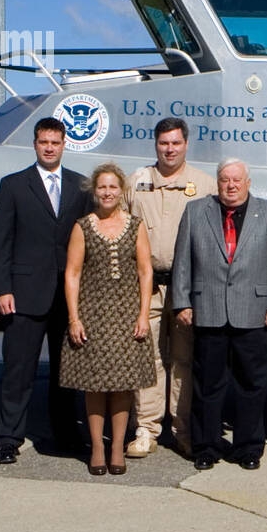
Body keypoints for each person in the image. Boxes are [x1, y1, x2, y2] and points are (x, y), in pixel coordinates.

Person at [170, 159, 267, 471]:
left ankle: (248, 448)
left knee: (252, 385)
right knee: (207, 386)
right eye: (225, 180)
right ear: (218, 182)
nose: (231, 185)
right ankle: (206, 447)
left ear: (248, 182)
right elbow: (182, 259)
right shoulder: (197, 212)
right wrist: (182, 301)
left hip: (254, 312)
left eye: (237, 180)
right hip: (208, 310)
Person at [0, 117, 91, 464]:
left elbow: (87, 243)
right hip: (24, 294)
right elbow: (1, 243)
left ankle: (66, 434)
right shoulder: (14, 186)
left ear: (65, 145)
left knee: (67, 373)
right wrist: (3, 289)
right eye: (43, 142)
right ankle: (7, 438)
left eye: (55, 142)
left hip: (67, 297)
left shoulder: (81, 187)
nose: (49, 147)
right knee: (18, 371)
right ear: (35, 144)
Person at [124, 118, 216, 459]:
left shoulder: (205, 185)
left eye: (176, 143)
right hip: (146, 286)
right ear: (155, 145)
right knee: (147, 358)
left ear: (186, 144)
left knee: (184, 360)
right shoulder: (137, 182)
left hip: (186, 288)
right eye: (164, 143)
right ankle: (146, 428)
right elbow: (119, 228)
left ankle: (183, 429)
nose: (169, 149)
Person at [60, 163, 155, 476]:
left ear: (121, 190)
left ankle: (117, 447)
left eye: (113, 187)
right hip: (93, 315)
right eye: (102, 187)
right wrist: (74, 318)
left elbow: (145, 271)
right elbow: (72, 273)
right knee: (95, 386)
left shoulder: (136, 225)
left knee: (123, 386)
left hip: (128, 316)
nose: (107, 193)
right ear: (94, 190)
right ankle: (97, 449)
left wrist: (143, 314)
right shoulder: (83, 226)